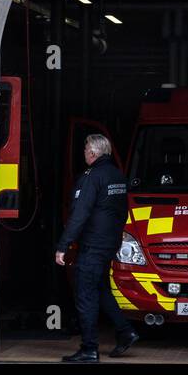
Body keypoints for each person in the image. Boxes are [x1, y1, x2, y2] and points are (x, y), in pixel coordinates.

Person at [54, 134, 137, 362]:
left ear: (92, 153)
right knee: (101, 290)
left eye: (84, 151)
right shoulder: (118, 176)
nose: (84, 154)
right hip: (109, 245)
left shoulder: (91, 177)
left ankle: (89, 349)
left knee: (85, 295)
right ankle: (125, 331)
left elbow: (80, 214)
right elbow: (122, 213)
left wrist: (63, 245)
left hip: (92, 246)